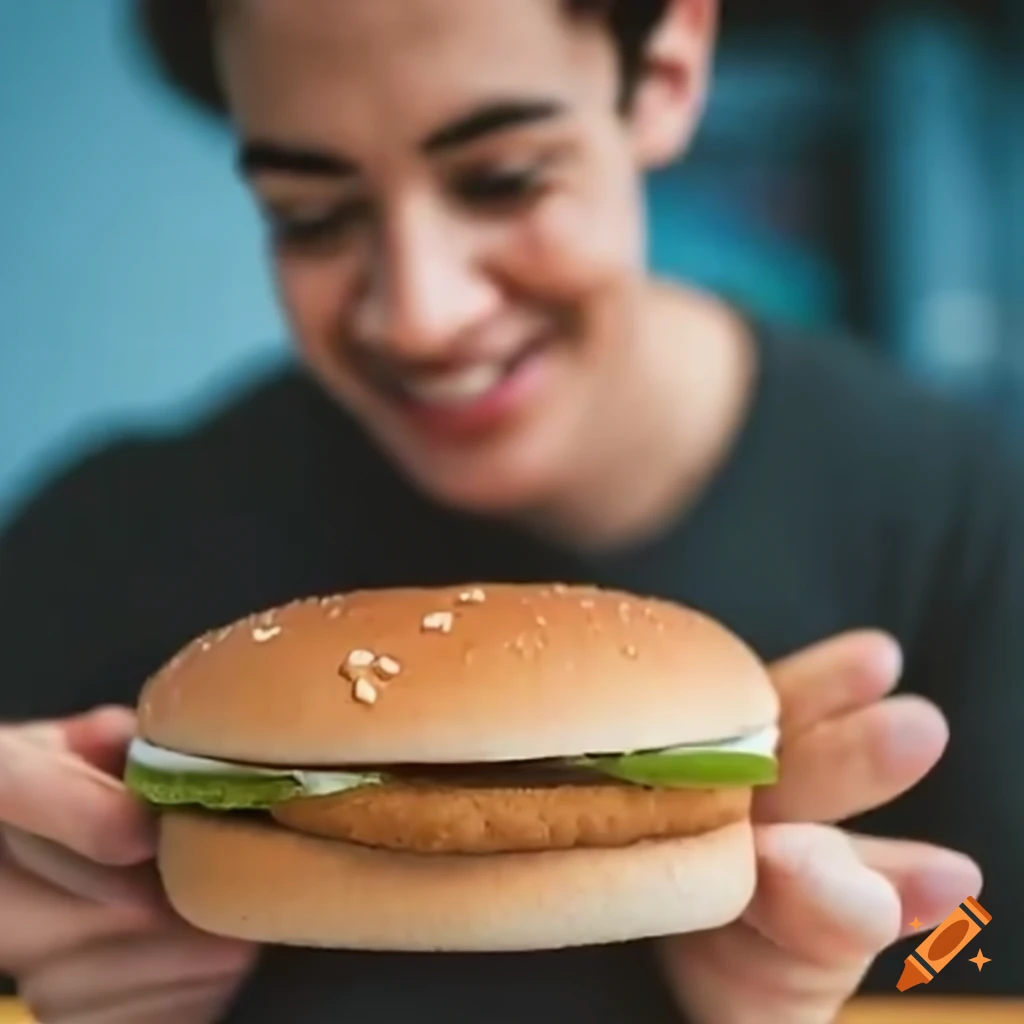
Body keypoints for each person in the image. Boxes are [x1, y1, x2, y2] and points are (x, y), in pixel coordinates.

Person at [0, 0, 1020, 1020]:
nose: (422, 314)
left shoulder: (969, 521)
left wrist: (855, 987)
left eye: (503, 177)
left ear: (664, 74)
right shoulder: (109, 545)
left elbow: (987, 950)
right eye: (311, 213)